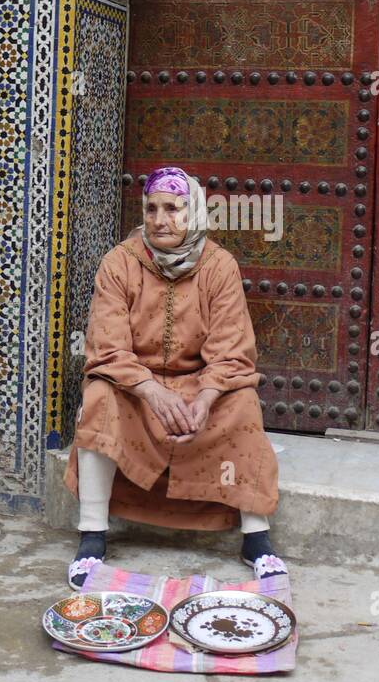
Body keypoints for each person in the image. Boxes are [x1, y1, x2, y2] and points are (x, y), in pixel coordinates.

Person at [62, 165, 286, 589]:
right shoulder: (119, 263)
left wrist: (203, 400)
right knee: (99, 397)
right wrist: (149, 391)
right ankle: (91, 536)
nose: (160, 219)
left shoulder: (219, 266)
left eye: (173, 209)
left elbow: (231, 350)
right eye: (151, 208)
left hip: (197, 388)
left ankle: (255, 538)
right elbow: (107, 347)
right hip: (136, 386)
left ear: (195, 213)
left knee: (240, 402)